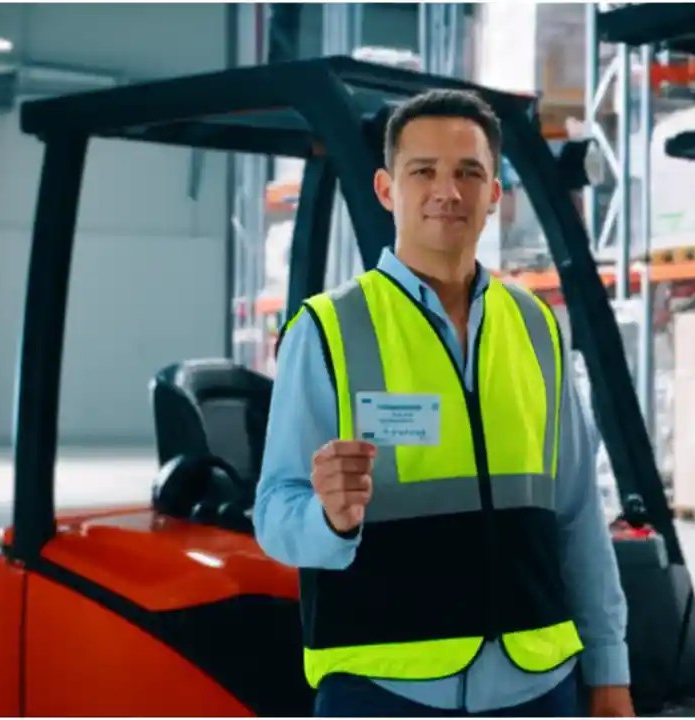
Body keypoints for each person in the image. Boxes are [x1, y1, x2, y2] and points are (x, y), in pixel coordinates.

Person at [254, 88, 634, 718]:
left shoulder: (536, 326)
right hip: (384, 691)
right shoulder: (327, 329)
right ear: (386, 189)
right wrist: (329, 518)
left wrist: (610, 669)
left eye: (469, 173)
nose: (447, 191)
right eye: (423, 171)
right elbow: (274, 515)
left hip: (538, 688)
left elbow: (577, 518)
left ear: (493, 195)